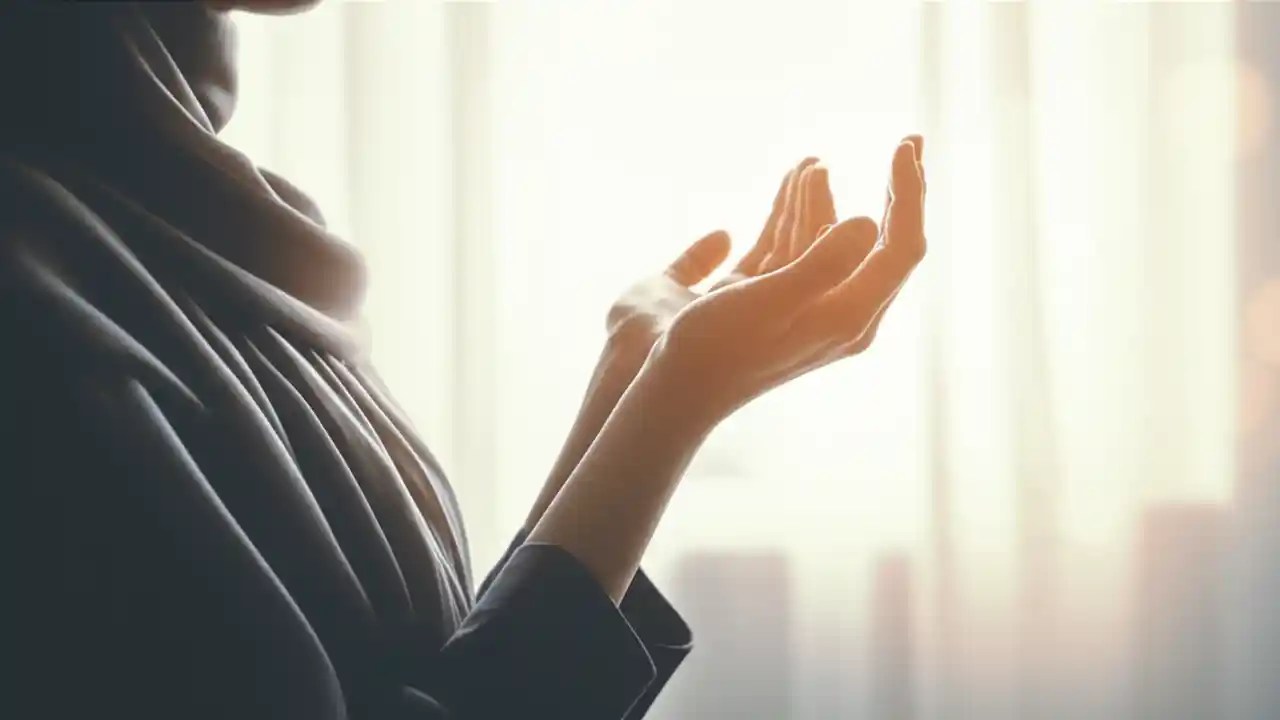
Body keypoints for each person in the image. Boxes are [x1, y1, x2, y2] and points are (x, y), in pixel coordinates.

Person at [0, 2, 926, 718]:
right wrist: (675, 402)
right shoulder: (42, 293)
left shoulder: (202, 227)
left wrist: (633, 395)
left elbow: (441, 687)